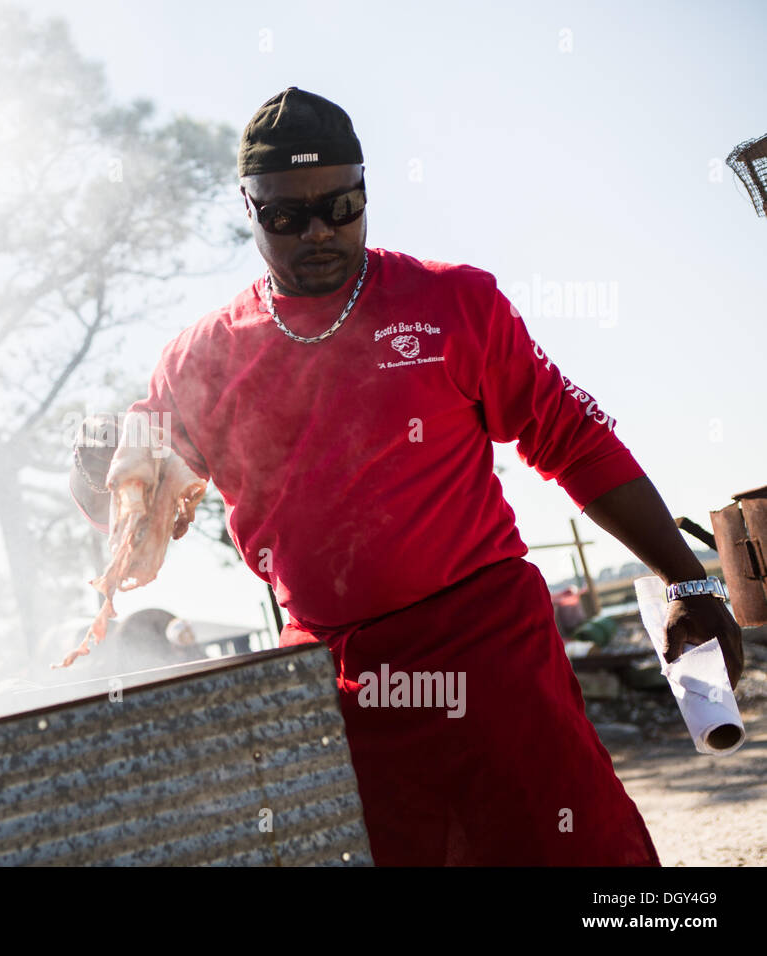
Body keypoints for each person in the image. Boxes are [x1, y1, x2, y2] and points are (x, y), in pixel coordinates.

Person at [69, 87, 743, 866]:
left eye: (341, 205)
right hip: (335, 680)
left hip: (491, 654)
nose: (319, 231)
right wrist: (98, 475)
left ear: (365, 191)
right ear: (248, 209)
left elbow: (575, 440)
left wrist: (690, 583)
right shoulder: (201, 360)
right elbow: (134, 502)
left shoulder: (453, 301)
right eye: (288, 216)